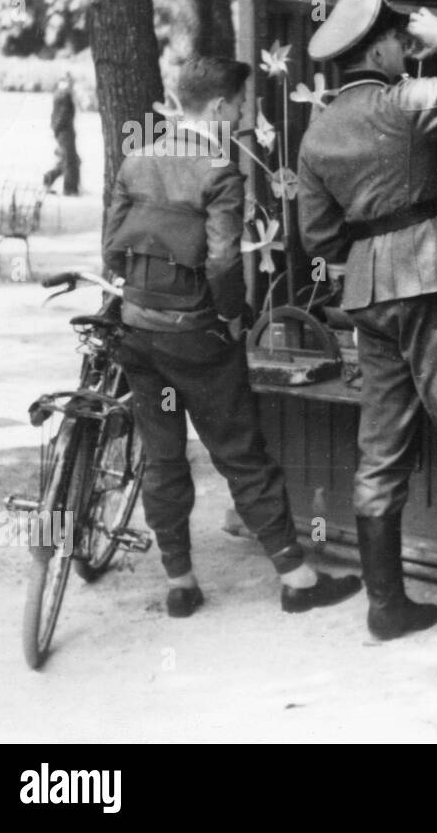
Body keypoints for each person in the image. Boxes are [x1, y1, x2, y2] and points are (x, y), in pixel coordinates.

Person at [104, 55, 361, 618]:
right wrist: (233, 316)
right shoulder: (218, 169)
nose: (242, 115)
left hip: (138, 330)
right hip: (197, 335)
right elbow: (223, 261)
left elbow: (112, 249)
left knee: (163, 457)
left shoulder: (138, 157)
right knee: (242, 453)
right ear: (219, 107)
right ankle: (296, 578)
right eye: (240, 105)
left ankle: (180, 582)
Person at [297, 0, 437, 643]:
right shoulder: (407, 100)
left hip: (367, 294)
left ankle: (386, 606)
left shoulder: (317, 133)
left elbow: (319, 237)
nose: (405, 51)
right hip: (431, 281)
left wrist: (365, 242)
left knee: (380, 449)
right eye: (400, 41)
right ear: (384, 47)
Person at [43, 73, 80, 195]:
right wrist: (58, 129)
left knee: (70, 159)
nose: (72, 85)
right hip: (65, 131)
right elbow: (63, 115)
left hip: (62, 130)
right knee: (70, 160)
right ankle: (69, 189)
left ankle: (49, 178)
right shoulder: (65, 95)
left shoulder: (60, 94)